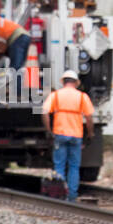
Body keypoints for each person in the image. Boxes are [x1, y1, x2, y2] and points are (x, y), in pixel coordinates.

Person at [42, 69, 94, 202]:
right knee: (74, 166)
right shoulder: (82, 97)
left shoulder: (56, 95)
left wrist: (48, 130)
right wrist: (90, 133)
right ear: (76, 83)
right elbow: (89, 118)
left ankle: (59, 195)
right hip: (76, 136)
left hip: (59, 134)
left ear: (63, 82)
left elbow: (44, 112)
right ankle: (71, 196)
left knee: (59, 165)